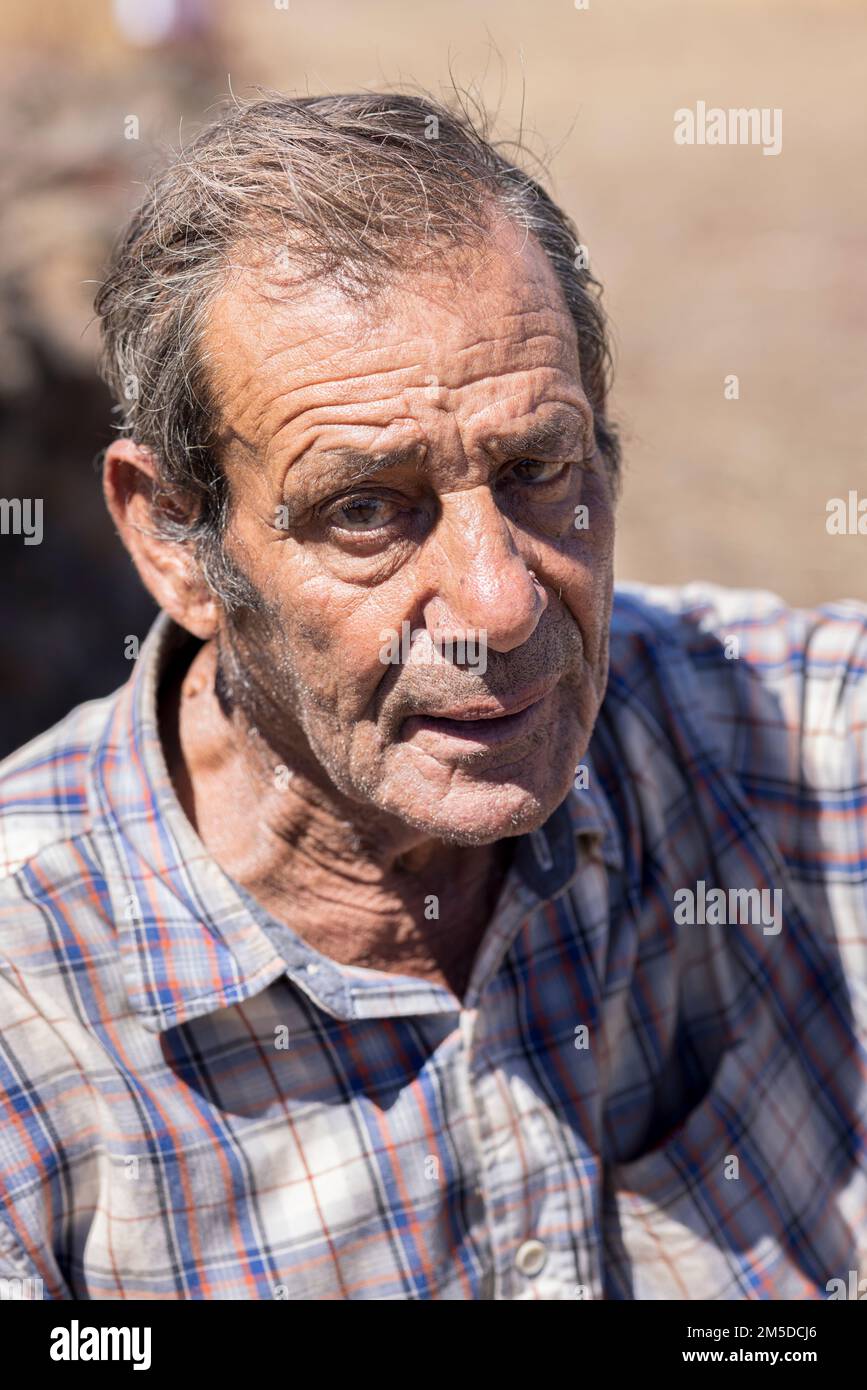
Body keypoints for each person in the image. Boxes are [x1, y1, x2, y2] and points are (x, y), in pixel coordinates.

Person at [1, 90, 865, 1301]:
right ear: (175, 544)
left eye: (535, 472)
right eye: (368, 508)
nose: (502, 605)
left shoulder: (770, 742)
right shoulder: (31, 1009)